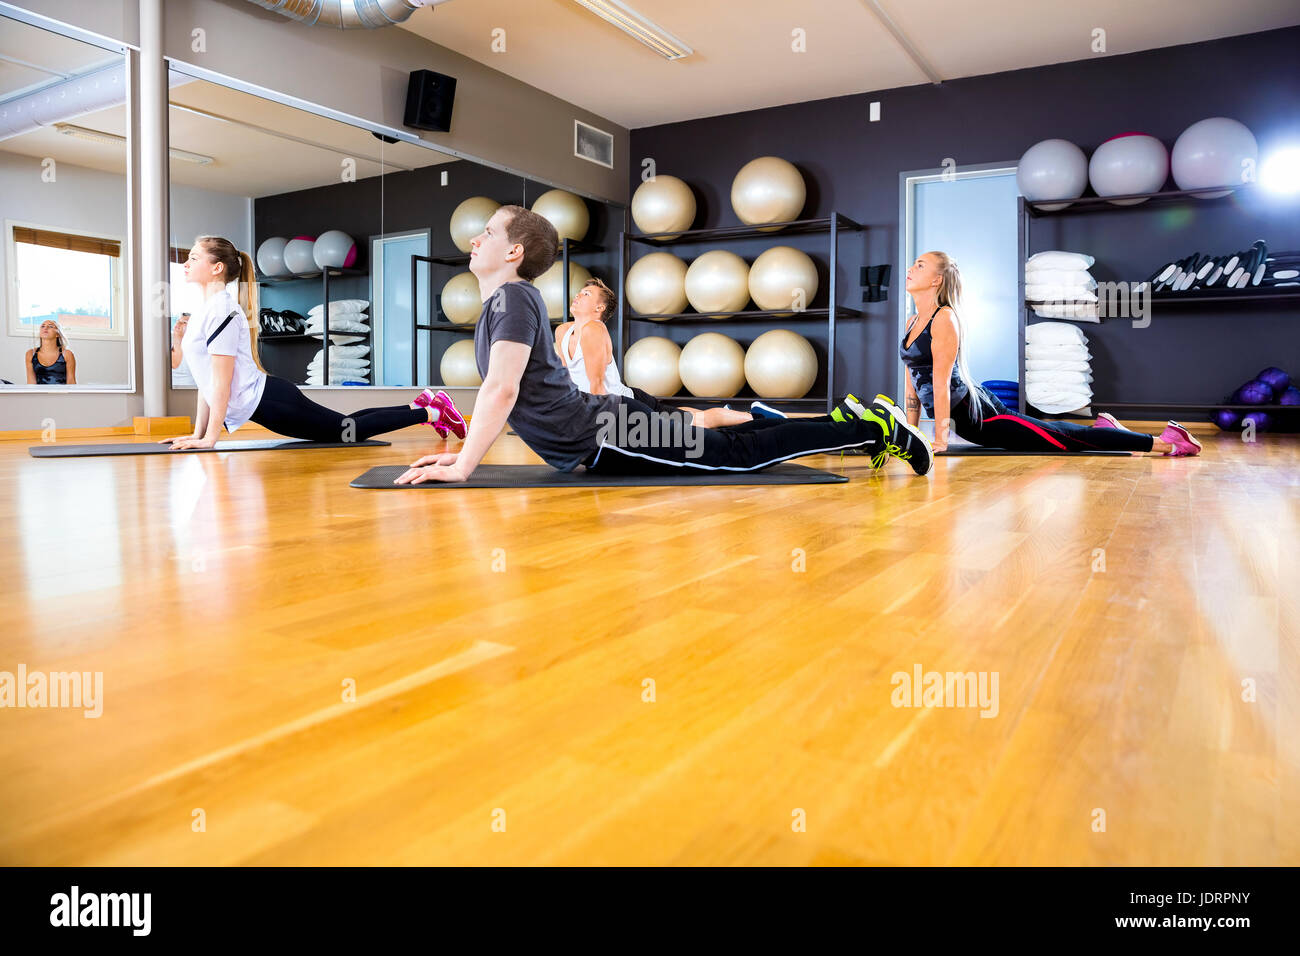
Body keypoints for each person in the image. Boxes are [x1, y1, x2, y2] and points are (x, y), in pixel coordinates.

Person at [395, 206, 931, 485]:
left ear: (513, 251)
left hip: (607, 433)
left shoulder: (513, 300)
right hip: (606, 427)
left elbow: (501, 389)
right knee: (721, 438)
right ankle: (855, 424)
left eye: (486, 232)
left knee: (737, 459)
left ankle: (871, 429)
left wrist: (464, 464)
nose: (474, 238)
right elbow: (503, 388)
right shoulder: (504, 302)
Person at [163, 235, 465, 450]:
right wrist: (196, 434)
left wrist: (209, 439)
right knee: (345, 425)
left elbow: (221, 382)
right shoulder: (205, 311)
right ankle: (423, 405)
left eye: (193, 258)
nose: (186, 264)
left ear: (217, 268)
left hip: (271, 401)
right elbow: (207, 382)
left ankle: (432, 412)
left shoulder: (222, 310)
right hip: (268, 401)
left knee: (348, 431)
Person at [901, 251, 1201, 456]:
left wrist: (940, 439)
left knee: (1062, 439)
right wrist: (911, 433)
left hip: (982, 416)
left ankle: (1167, 442)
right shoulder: (912, 322)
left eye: (920, 265)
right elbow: (912, 382)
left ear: (937, 280)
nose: (910, 270)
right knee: (1056, 432)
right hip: (966, 418)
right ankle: (1110, 428)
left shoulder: (944, 318)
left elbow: (940, 383)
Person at [554, 276, 785, 426]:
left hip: (627, 405)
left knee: (697, 422)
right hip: (622, 401)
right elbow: (567, 381)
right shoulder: (563, 331)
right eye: (580, 292)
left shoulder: (595, 329)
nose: (578, 295)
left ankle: (755, 417)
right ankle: (727, 415)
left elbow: (597, 387)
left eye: (586, 294)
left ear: (599, 307)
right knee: (688, 418)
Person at [26, 319, 76, 385]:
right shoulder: (30, 354)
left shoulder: (67, 354)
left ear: (57, 334)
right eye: (43, 326)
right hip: (40, 394)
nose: (45, 328)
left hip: (61, 394)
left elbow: (71, 382)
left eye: (50, 326)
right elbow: (31, 383)